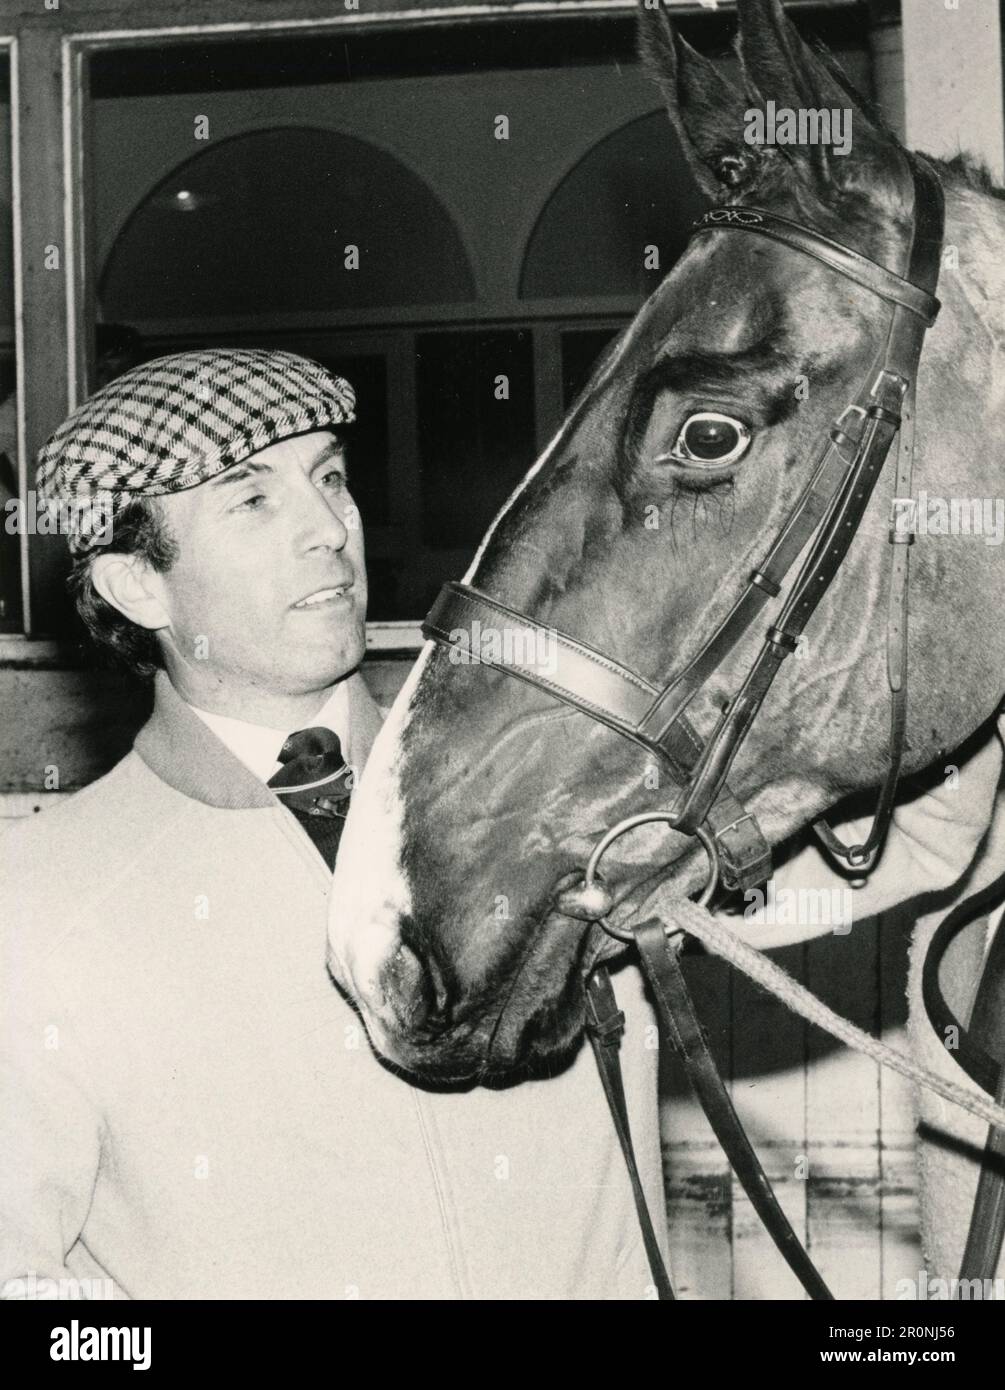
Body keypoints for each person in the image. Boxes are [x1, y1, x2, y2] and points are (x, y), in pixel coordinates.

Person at [0, 349, 667, 1300]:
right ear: (138, 587)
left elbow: (889, 856)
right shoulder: (35, 902)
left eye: (329, 479)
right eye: (250, 500)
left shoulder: (545, 795)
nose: (329, 528)